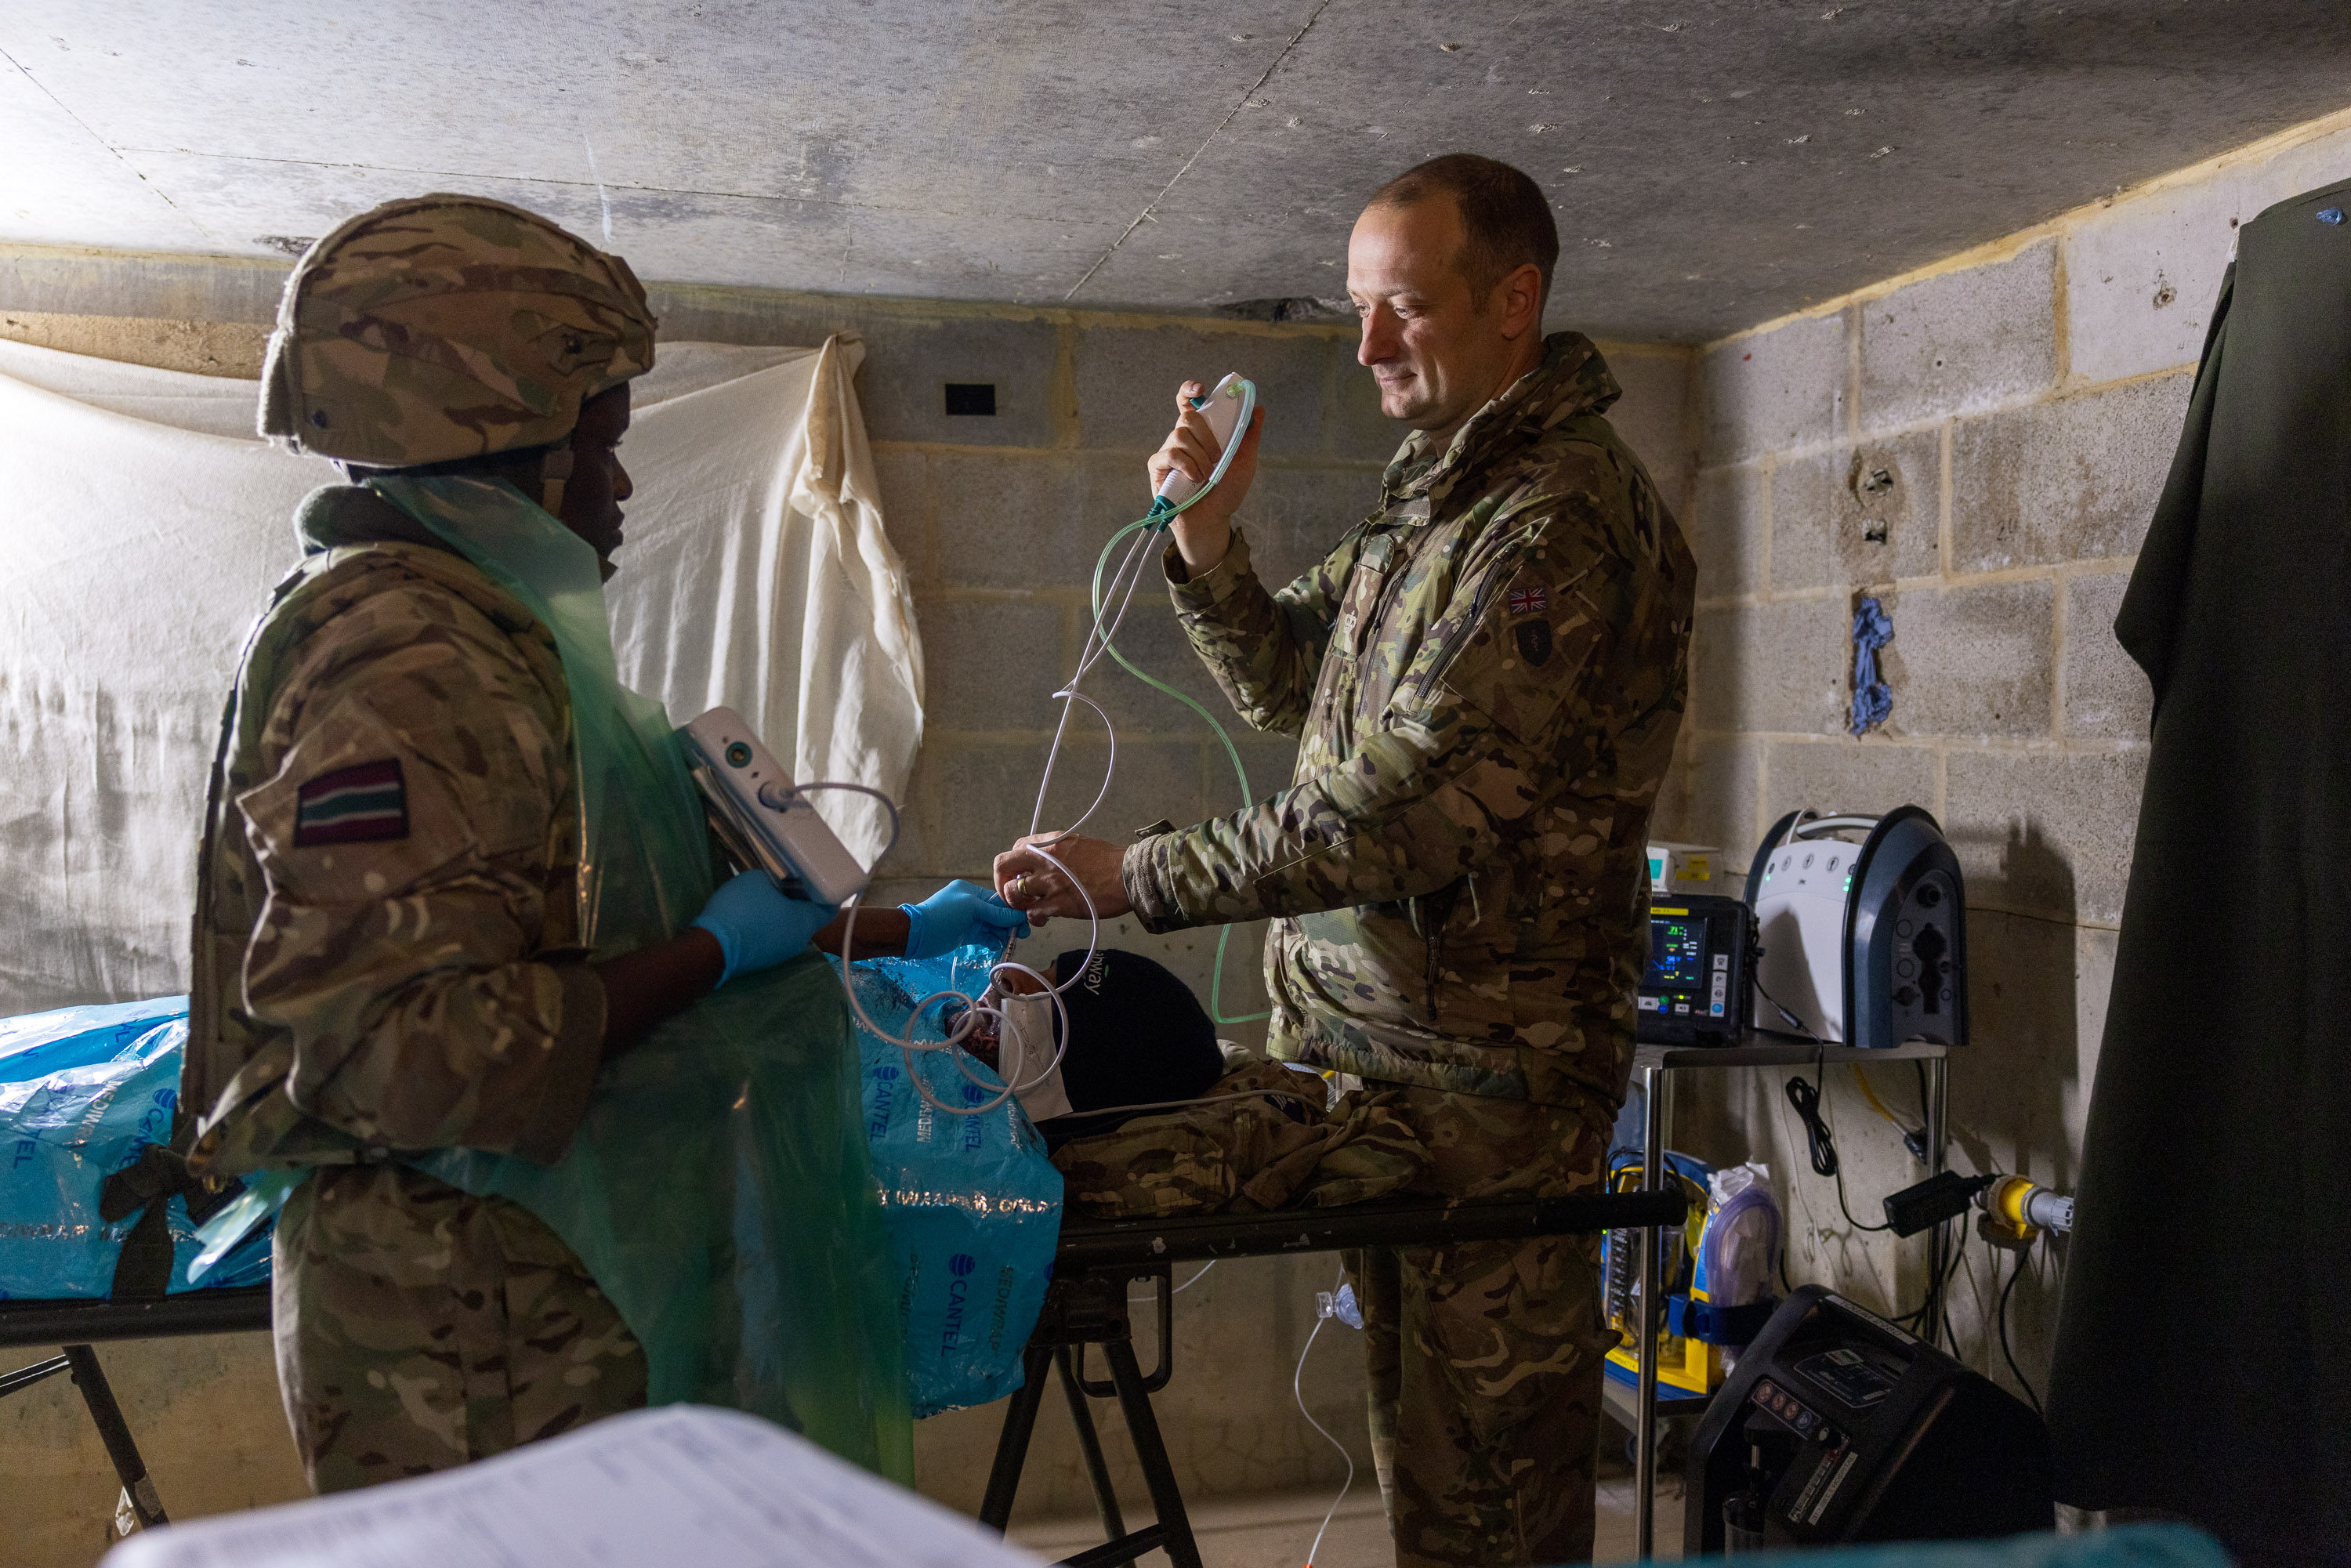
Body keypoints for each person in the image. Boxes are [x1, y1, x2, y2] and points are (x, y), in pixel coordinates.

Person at [181, 194, 1021, 1492]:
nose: (620, 484)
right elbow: (397, 1060)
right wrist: (705, 955)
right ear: (500, 440)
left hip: (564, 1304)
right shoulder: (404, 666)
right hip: (471, 1349)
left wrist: (897, 925)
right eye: (601, 444)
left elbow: (619, 914)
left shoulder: (504, 646)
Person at [993, 154, 1695, 1566]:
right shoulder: (1436, 496)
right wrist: (1205, 543)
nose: (1366, 345)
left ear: (1516, 300)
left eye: (1404, 310)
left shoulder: (1551, 522)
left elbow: (1407, 809)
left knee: (1488, 1512)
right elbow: (1293, 681)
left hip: (1488, 1100)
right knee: (1423, 1477)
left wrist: (1142, 876)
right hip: (1390, 1076)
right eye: (1360, 308)